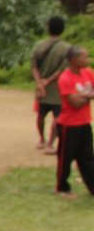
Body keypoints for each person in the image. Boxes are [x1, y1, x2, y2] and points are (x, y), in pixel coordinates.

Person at [54, 45, 94, 196]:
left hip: (84, 123)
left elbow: (79, 99)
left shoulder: (88, 73)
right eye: (84, 56)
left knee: (88, 158)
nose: (87, 59)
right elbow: (74, 103)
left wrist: (83, 96)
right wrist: (89, 95)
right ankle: (62, 187)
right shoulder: (65, 78)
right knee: (65, 158)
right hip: (68, 125)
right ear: (73, 60)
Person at [32, 14, 71, 154]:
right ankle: (50, 143)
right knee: (57, 116)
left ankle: (41, 140)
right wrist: (48, 81)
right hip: (57, 89)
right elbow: (62, 70)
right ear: (63, 29)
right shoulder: (67, 48)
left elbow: (34, 67)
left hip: (41, 88)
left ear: (48, 29)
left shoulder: (39, 46)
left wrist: (40, 83)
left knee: (41, 115)